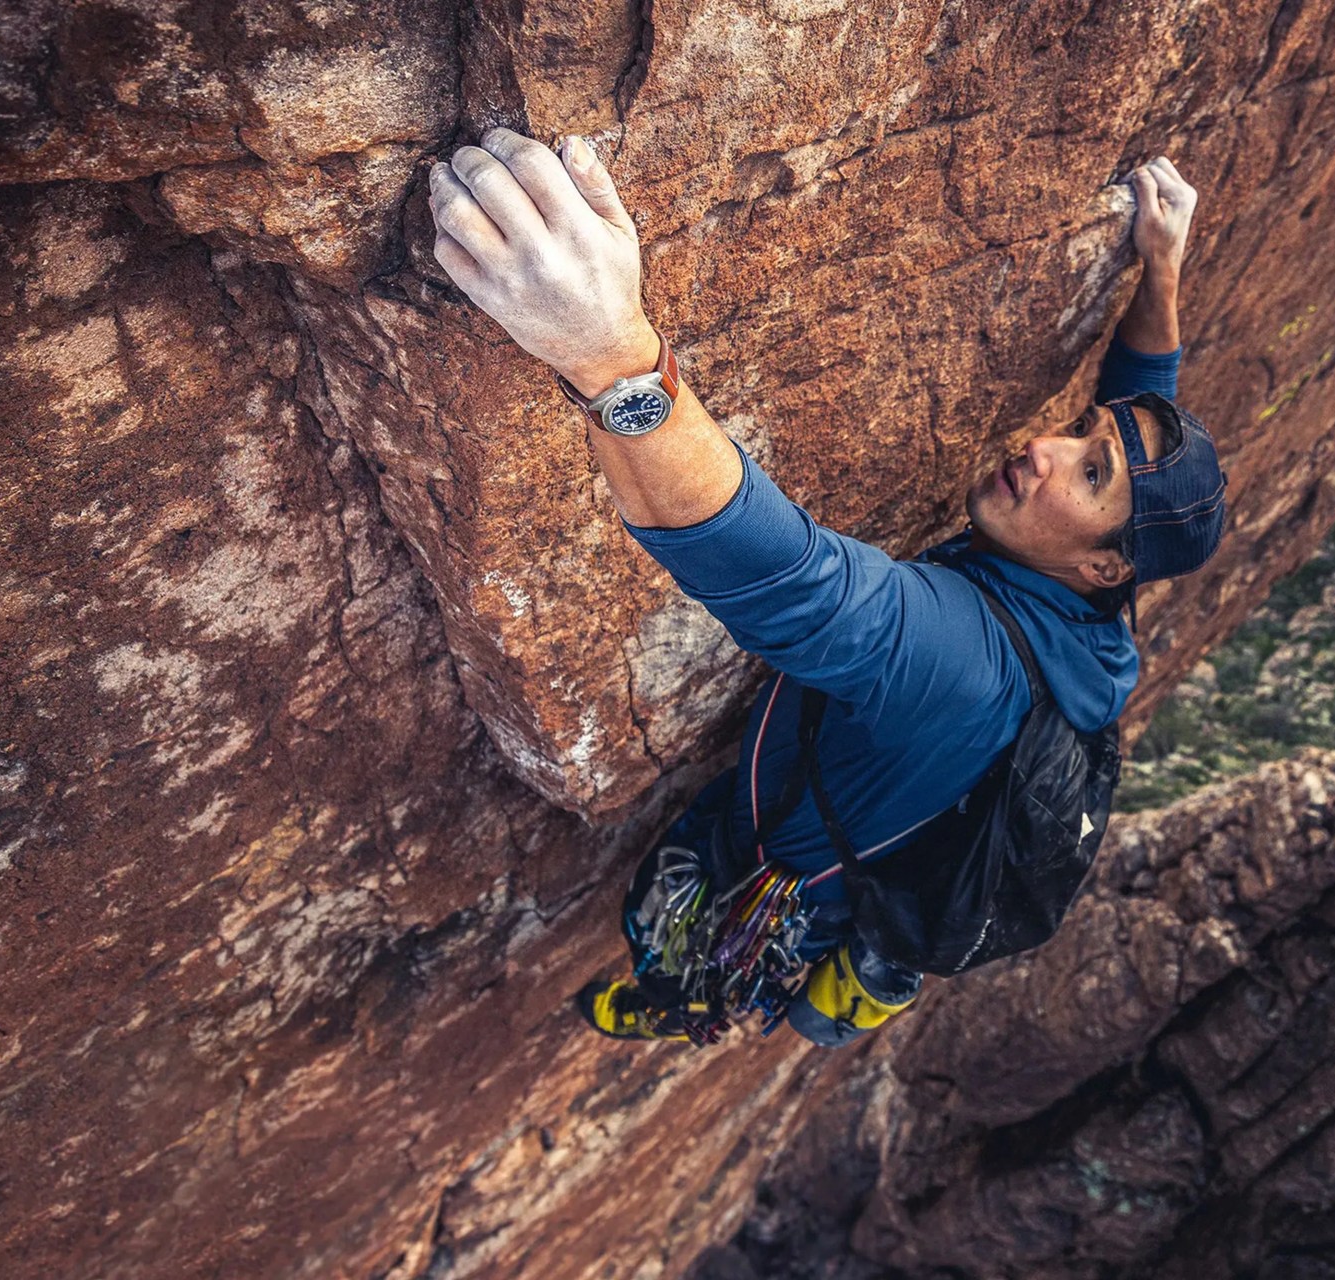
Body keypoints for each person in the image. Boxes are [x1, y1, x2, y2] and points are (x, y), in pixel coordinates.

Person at [428, 129, 1227, 1046]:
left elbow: (782, 574)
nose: (1043, 450)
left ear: (1104, 564)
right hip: (856, 823)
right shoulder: (1089, 596)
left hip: (786, 879)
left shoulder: (957, 658)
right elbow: (1141, 404)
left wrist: (610, 357)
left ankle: (674, 1000)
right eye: (1082, 432)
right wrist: (1160, 270)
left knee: (678, 933)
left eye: (1088, 476)